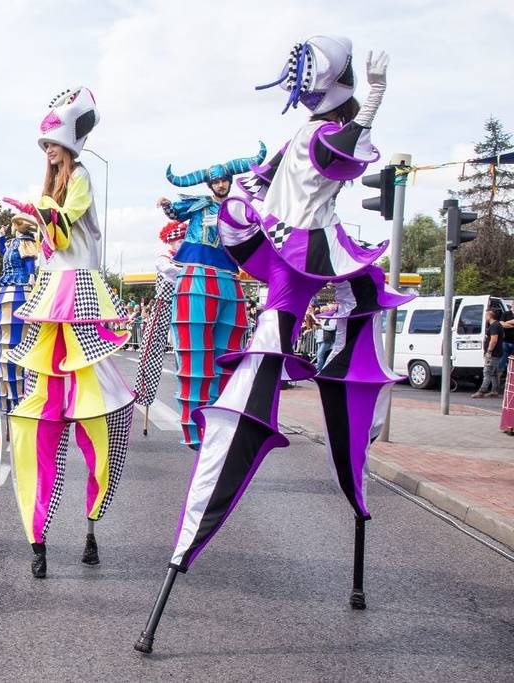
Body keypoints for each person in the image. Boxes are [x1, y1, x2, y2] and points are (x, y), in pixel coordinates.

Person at [137, 37, 415, 653]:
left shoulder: (325, 136)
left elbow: (341, 155)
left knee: (323, 347)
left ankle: (356, 487)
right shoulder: (302, 136)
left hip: (316, 252)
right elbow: (265, 179)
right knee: (254, 376)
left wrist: (373, 100)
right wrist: (241, 192)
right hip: (289, 259)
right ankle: (192, 538)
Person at [3, 86, 134, 578]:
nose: (48, 150)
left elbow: (63, 228)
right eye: (44, 145)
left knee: (102, 416)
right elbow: (48, 242)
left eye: (53, 143)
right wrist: (30, 222)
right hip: (53, 298)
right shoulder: (51, 186)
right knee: (38, 418)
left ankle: (91, 527)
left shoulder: (79, 178)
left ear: (70, 145)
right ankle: (38, 539)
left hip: (80, 296)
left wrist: (36, 215)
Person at [158, 141, 266, 447]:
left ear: (229, 182)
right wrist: (166, 203)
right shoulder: (200, 205)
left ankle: (221, 423)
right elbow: (174, 212)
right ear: (210, 184)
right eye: (216, 181)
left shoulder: (237, 208)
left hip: (229, 281)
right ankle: (194, 428)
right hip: (197, 280)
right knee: (196, 358)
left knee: (227, 356)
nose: (220, 184)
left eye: (224, 180)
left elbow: (253, 232)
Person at [134, 220, 187, 415]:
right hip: (164, 306)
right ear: (171, 242)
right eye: (179, 241)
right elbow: (168, 271)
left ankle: (190, 396)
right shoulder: (164, 257)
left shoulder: (189, 259)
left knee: (185, 350)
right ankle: (144, 392)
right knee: (150, 349)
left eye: (184, 241)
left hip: (184, 306)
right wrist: (187, 272)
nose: (182, 244)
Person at [0, 212, 39, 414]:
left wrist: (31, 279)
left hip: (20, 289)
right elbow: (2, 252)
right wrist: (0, 237)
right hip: (7, 288)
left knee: (20, 340)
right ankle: (7, 399)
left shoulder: (27, 242)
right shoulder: (12, 243)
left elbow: (29, 265)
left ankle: (22, 398)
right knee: (4, 342)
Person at [472, 308, 504, 398]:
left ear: (489, 315)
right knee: (494, 373)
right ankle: (495, 391)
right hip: (497, 353)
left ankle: (482, 391)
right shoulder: (497, 325)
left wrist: (489, 351)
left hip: (493, 353)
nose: (485, 316)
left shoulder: (494, 326)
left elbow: (493, 340)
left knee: (487, 371)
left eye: (486, 315)